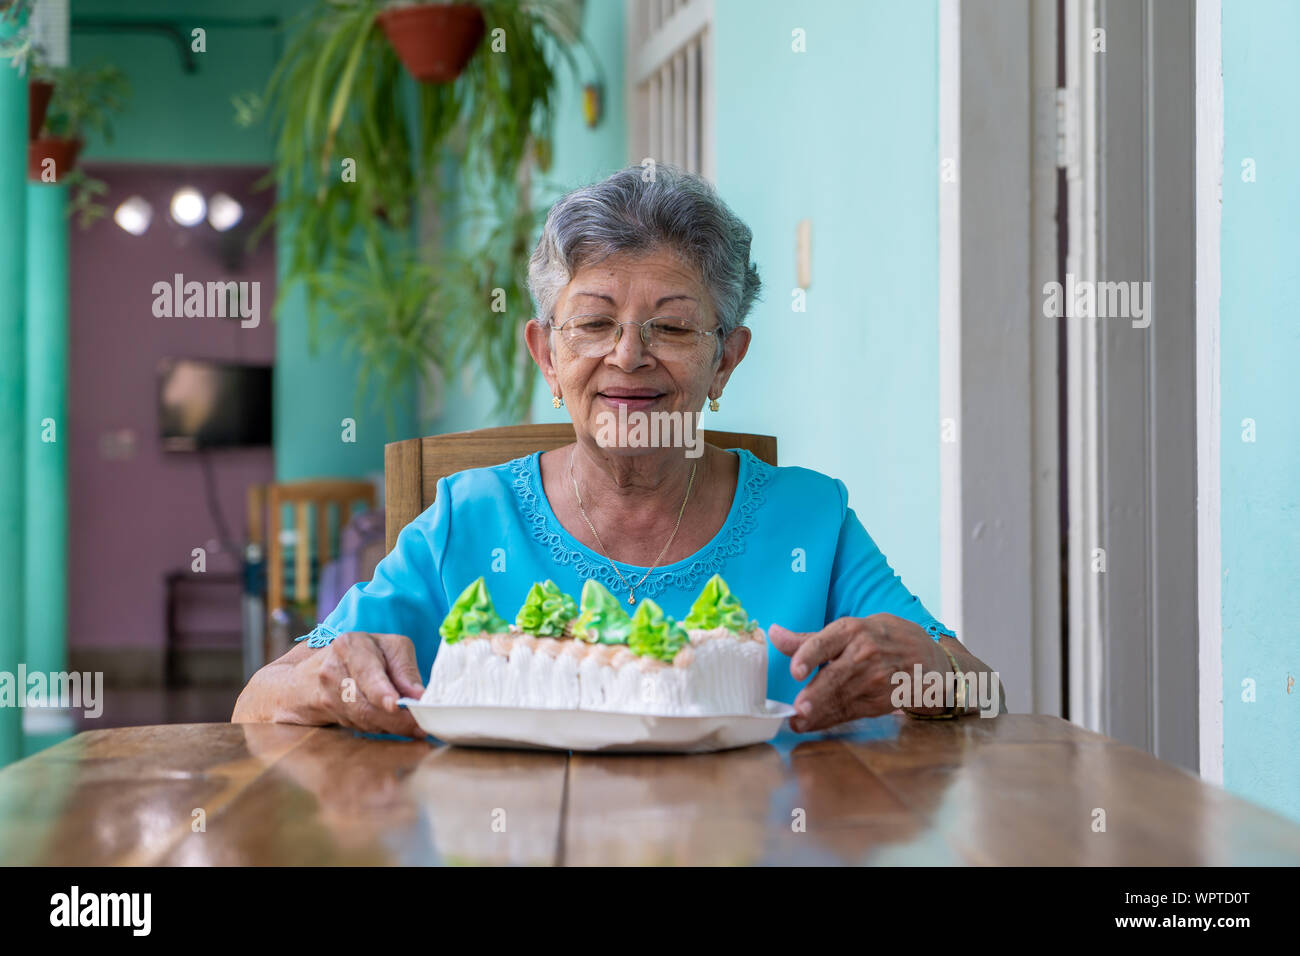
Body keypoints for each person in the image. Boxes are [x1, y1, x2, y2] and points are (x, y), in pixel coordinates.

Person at [233, 164, 1005, 737]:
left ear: (725, 360)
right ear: (545, 355)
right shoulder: (469, 520)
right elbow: (257, 703)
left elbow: (981, 687)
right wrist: (323, 682)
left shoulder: (812, 519)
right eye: (594, 324)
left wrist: (930, 675)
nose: (628, 357)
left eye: (670, 327)